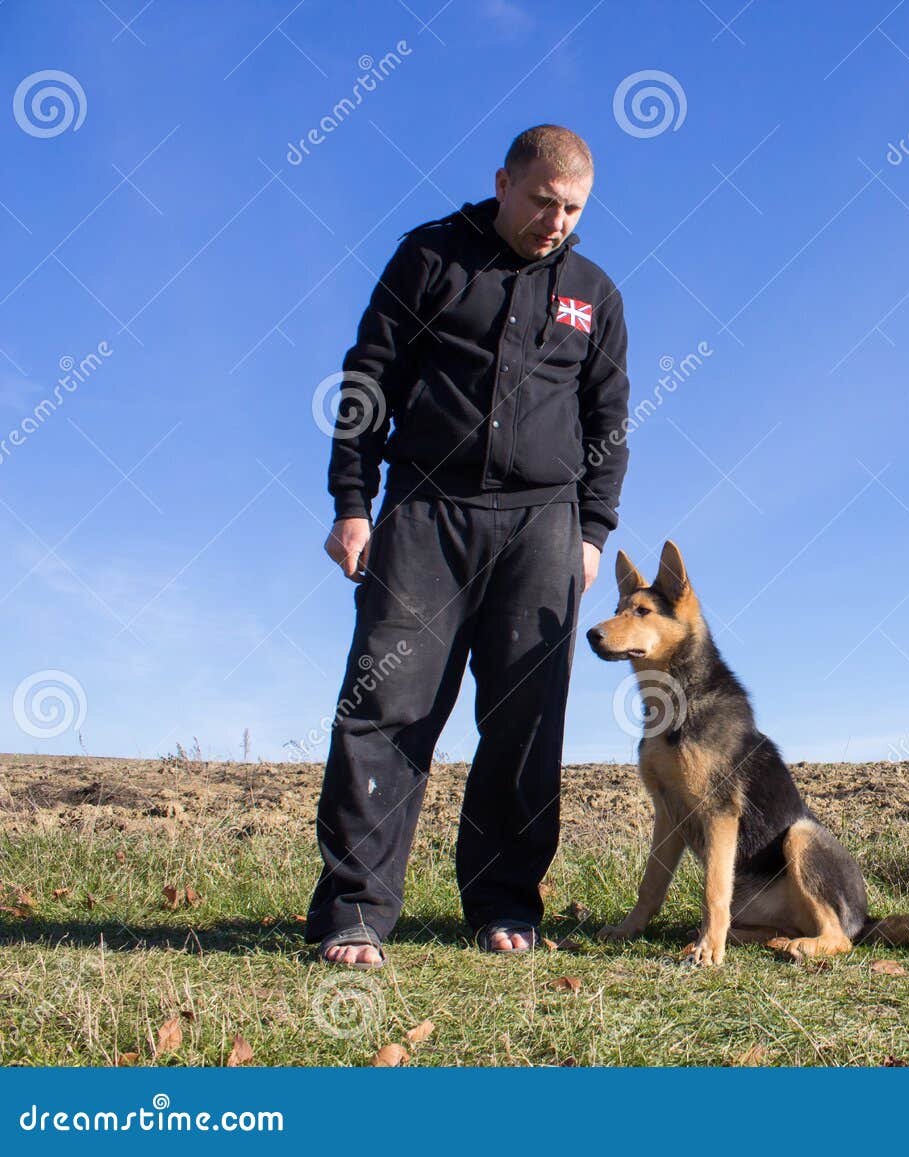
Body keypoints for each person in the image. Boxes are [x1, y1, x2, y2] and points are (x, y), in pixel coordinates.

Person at [306, 124, 630, 967]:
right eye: (543, 202)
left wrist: (592, 531)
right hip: (426, 511)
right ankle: (355, 909)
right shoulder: (429, 256)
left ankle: (503, 903)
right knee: (387, 708)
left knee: (525, 725)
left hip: (543, 526)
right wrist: (352, 501)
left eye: (573, 210)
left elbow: (608, 419)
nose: (556, 222)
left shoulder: (593, 293)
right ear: (502, 183)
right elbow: (367, 381)